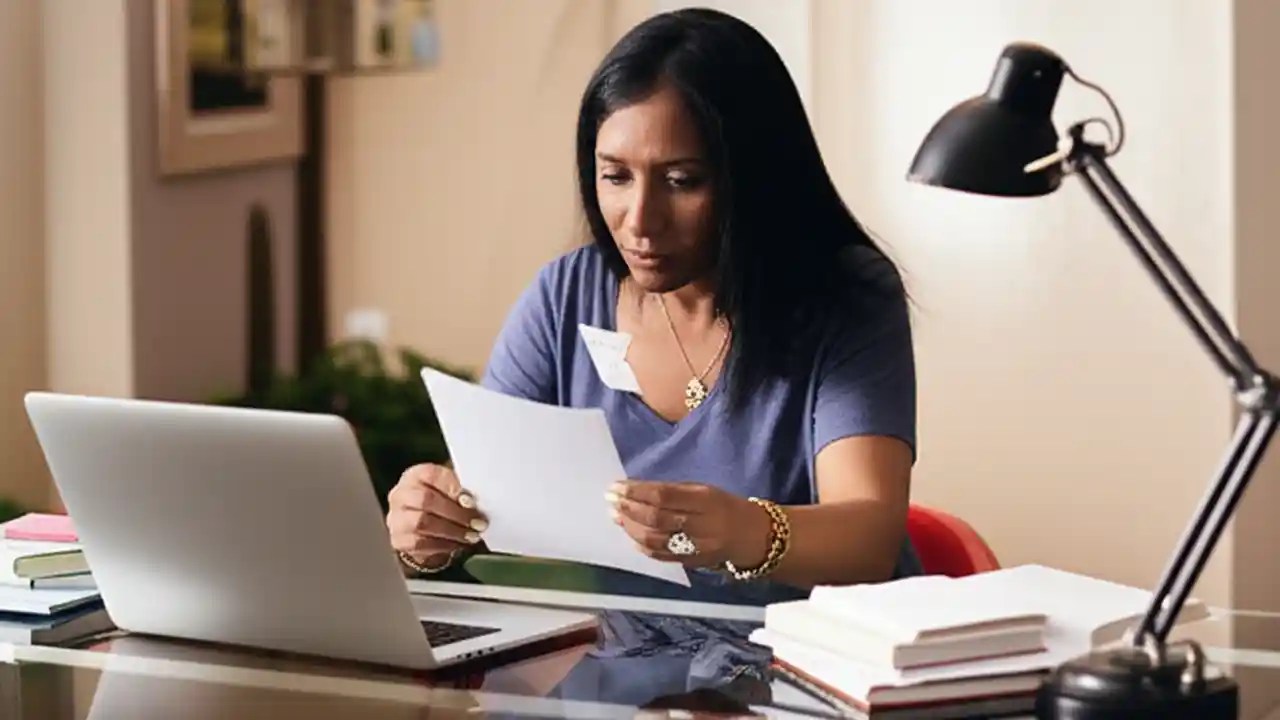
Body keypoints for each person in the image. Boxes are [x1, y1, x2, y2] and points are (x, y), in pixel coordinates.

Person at [386, 8, 919, 605]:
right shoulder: (567, 295)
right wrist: (434, 526)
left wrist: (735, 529)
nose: (639, 222)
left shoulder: (847, 297)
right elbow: (498, 506)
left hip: (813, 671)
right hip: (626, 673)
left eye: (681, 181)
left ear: (755, 176)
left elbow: (868, 537)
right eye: (615, 177)